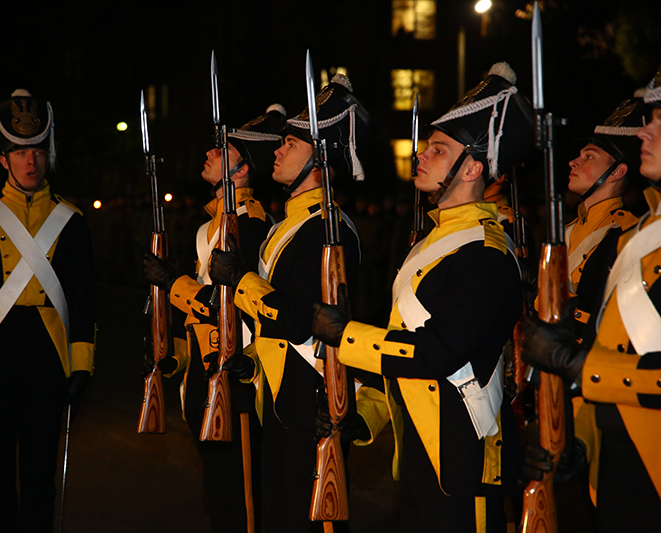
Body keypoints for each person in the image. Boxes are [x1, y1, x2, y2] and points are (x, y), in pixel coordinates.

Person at [313, 63, 535, 532]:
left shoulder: (485, 253)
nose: (421, 155)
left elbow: (437, 353)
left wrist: (347, 336)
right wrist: (366, 414)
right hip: (421, 448)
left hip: (462, 454)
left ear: (472, 168)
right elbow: (403, 345)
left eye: (438, 149)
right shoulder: (436, 242)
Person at [209, 74, 374, 532]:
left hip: (310, 398)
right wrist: (251, 361)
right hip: (282, 394)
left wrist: (239, 279)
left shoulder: (325, 227)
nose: (278, 151)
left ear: (319, 160)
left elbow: (296, 320)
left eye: (291, 144)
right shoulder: (293, 223)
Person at [0, 89, 96, 532]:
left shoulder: (71, 220)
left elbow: (83, 300)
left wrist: (81, 366)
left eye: (39, 152)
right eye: (21, 153)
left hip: (48, 355)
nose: (31, 162)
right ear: (4, 159)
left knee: (41, 473)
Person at [522, 68, 661, 532]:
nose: (645, 133)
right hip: (596, 417)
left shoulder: (623, 232)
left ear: (617, 172)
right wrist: (576, 436)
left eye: (659, 122)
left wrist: (575, 366)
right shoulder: (622, 234)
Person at [143, 104, 285, 532]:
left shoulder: (251, 224)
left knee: (240, 499)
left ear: (243, 169)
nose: (209, 152)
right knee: (218, 493)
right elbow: (201, 321)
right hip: (204, 375)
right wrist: (175, 354)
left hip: (237, 376)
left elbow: (231, 304)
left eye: (222, 150)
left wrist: (173, 283)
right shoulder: (210, 227)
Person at [563, 97, 643, 345]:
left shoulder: (627, 234)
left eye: (589, 156)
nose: (573, 162)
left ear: (617, 172)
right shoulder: (566, 230)